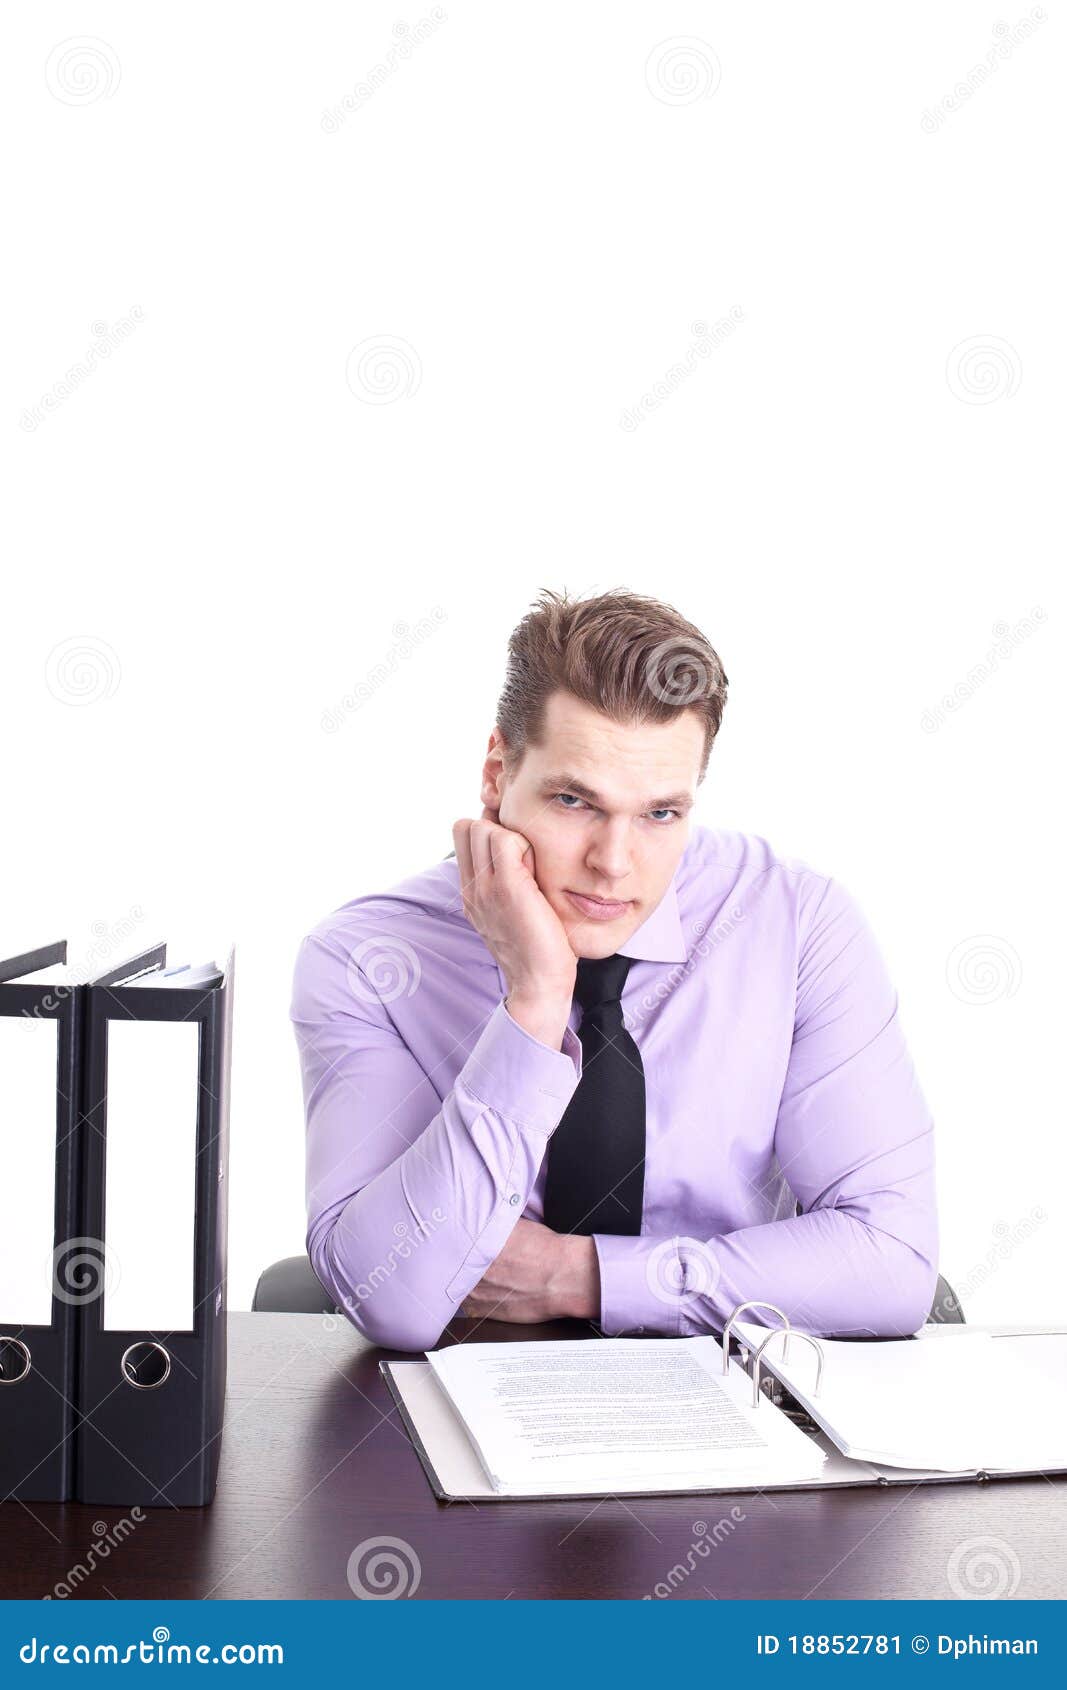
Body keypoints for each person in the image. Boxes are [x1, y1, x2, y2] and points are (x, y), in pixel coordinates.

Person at [289, 588, 938, 1351]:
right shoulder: (369, 958)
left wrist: (580, 1275)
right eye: (574, 801)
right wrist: (533, 1002)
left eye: (660, 814)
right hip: (461, 1394)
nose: (613, 864)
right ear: (497, 775)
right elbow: (390, 1301)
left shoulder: (796, 924)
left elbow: (892, 1266)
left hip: (727, 1400)